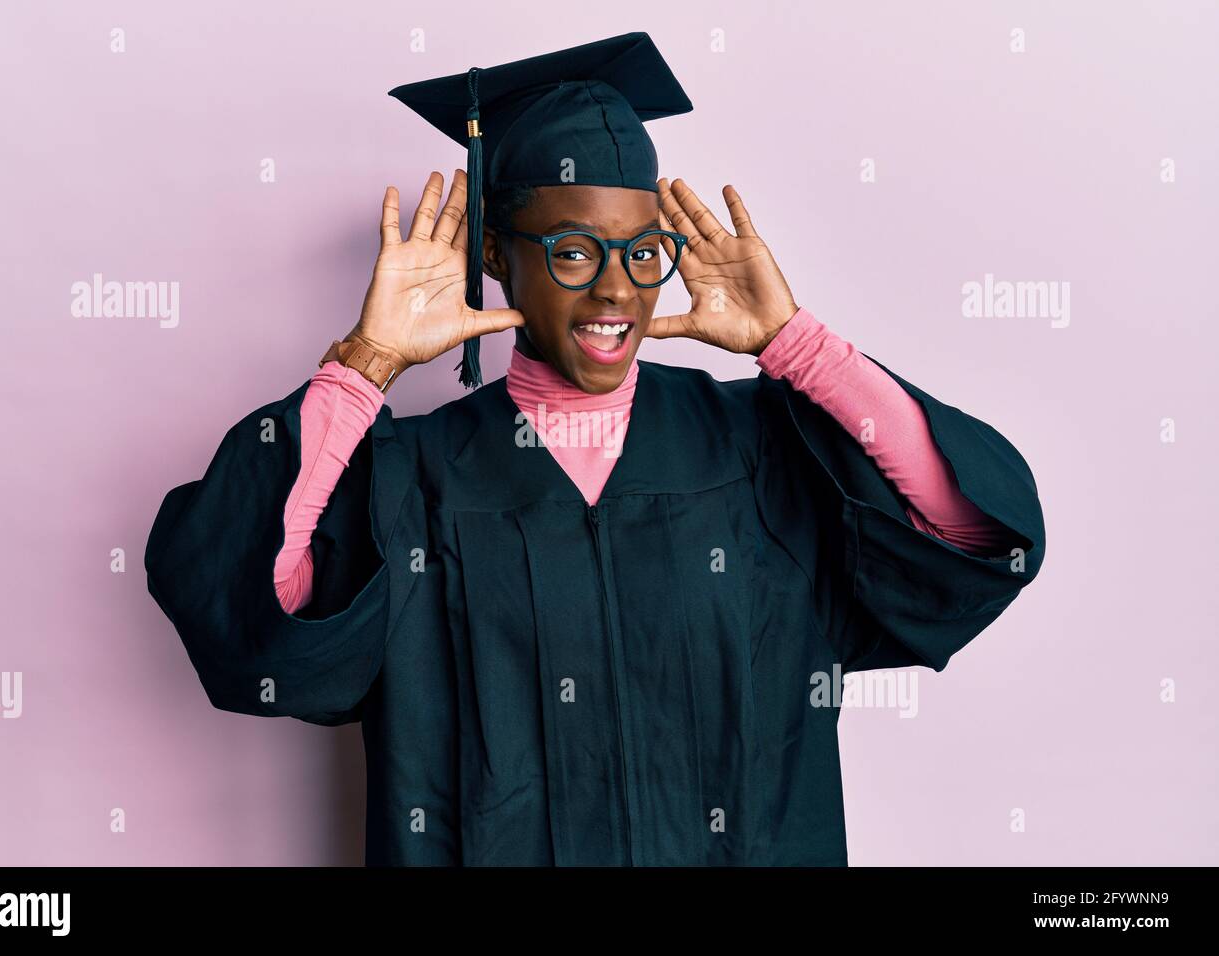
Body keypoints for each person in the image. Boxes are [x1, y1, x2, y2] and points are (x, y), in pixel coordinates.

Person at [144, 33, 1045, 866]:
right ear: (497, 254)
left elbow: (973, 537)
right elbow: (253, 620)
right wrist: (364, 365)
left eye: (642, 252)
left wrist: (799, 347)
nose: (617, 290)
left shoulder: (761, 451)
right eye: (573, 252)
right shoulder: (413, 475)